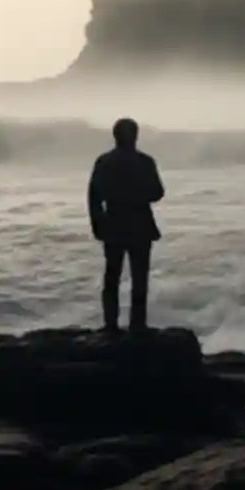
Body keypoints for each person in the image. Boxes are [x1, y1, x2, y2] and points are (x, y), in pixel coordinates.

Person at [88, 118, 165, 333]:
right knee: (140, 278)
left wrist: (97, 223)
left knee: (112, 276)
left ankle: (110, 324)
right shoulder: (145, 162)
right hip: (140, 224)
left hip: (114, 223)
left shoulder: (104, 161)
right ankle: (137, 325)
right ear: (136, 136)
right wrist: (138, 195)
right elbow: (158, 193)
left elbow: (94, 196)